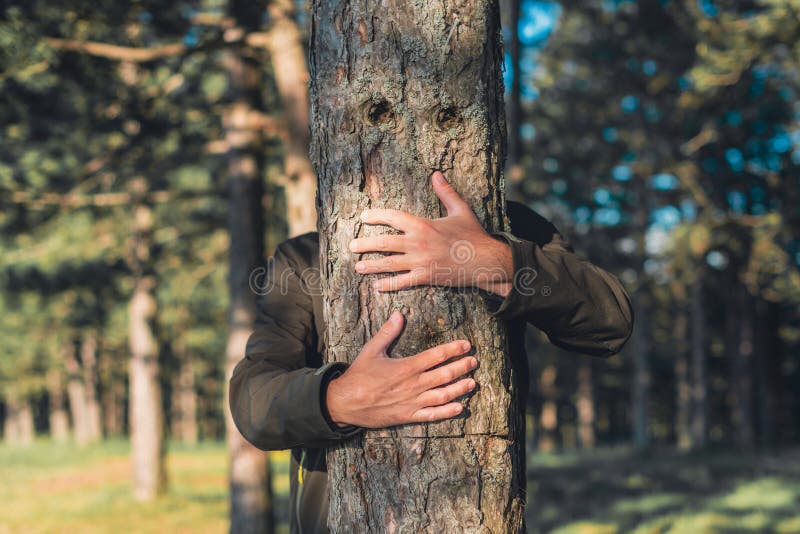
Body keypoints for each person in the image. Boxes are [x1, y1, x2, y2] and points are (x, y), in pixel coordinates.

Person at [229, 171, 633, 533]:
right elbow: (254, 405)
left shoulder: (504, 226)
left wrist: (494, 261)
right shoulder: (305, 259)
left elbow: (608, 324)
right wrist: (340, 400)